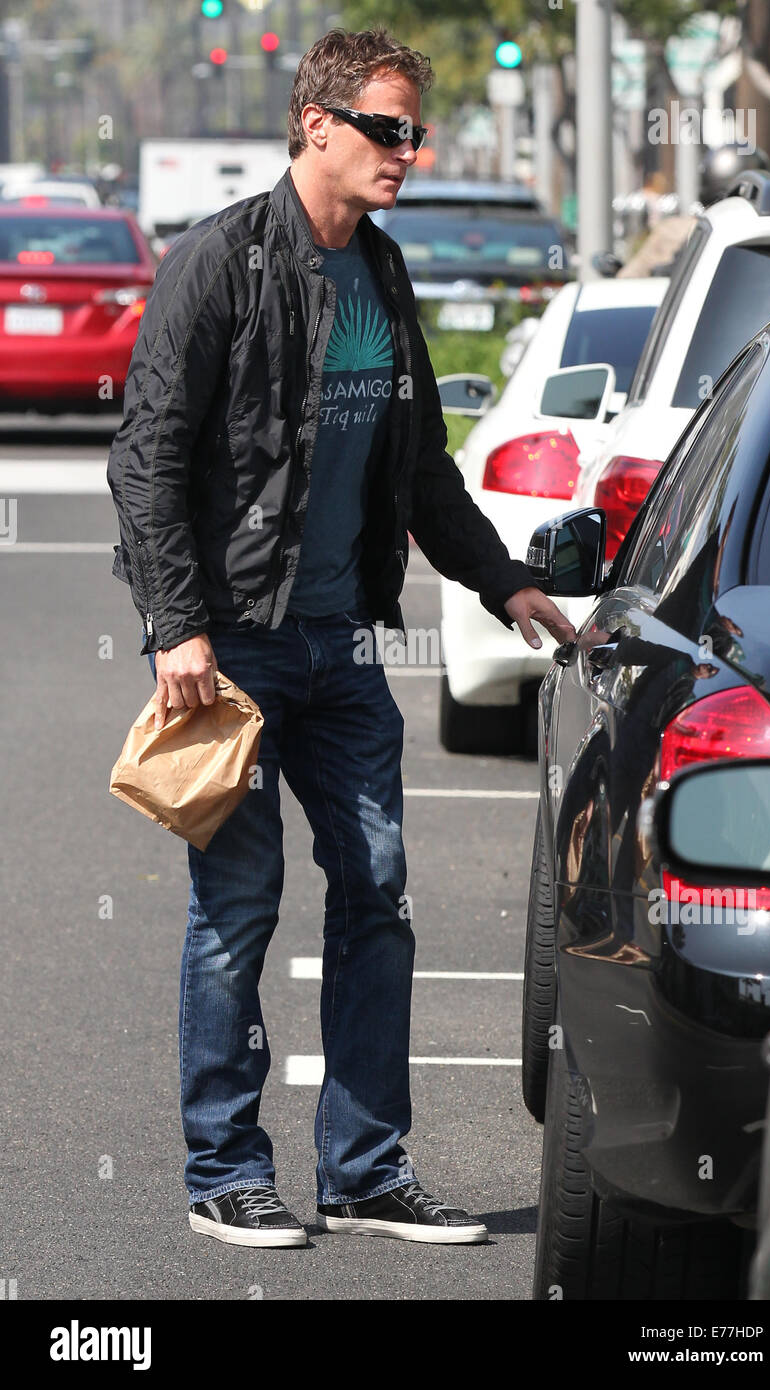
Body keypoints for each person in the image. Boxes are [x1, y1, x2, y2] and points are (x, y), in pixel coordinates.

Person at [107, 26, 576, 1249]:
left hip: (343, 648)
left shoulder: (383, 271)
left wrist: (503, 583)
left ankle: (365, 1171)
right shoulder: (221, 264)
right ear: (316, 123)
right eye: (386, 128)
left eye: (413, 131)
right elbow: (146, 455)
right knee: (239, 903)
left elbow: (419, 467)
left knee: (378, 892)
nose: (405, 151)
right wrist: (178, 627)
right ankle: (227, 1172)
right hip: (237, 649)